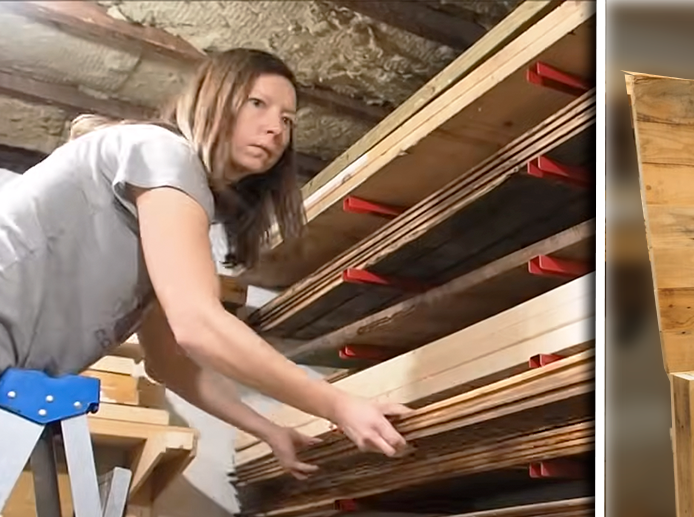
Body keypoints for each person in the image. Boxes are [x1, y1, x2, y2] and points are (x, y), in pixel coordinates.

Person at [0, 48, 410, 479]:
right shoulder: (161, 152)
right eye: (258, 104)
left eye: (287, 120)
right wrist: (337, 404)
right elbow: (198, 326)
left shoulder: (162, 207)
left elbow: (169, 361)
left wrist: (268, 429)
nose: (275, 128)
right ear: (213, 98)